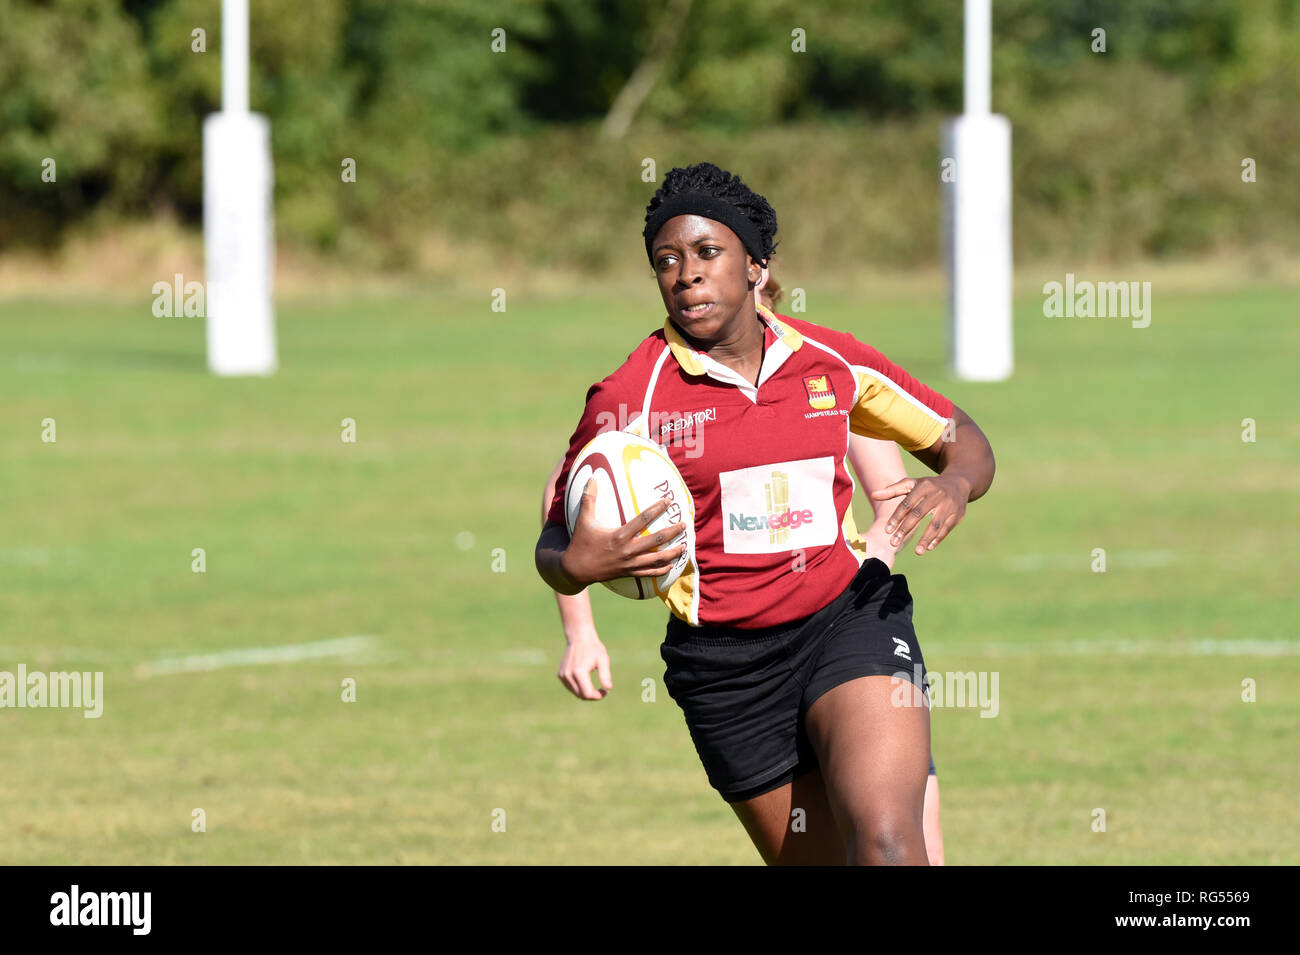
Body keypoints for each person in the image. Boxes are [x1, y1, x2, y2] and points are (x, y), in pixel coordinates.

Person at [535, 162, 994, 865]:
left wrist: (957, 483)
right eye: (666, 261)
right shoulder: (634, 392)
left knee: (890, 840)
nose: (686, 274)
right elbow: (557, 524)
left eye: (707, 253)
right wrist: (573, 567)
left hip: (849, 617)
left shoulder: (829, 360)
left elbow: (961, 438)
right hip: (727, 668)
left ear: (757, 265)